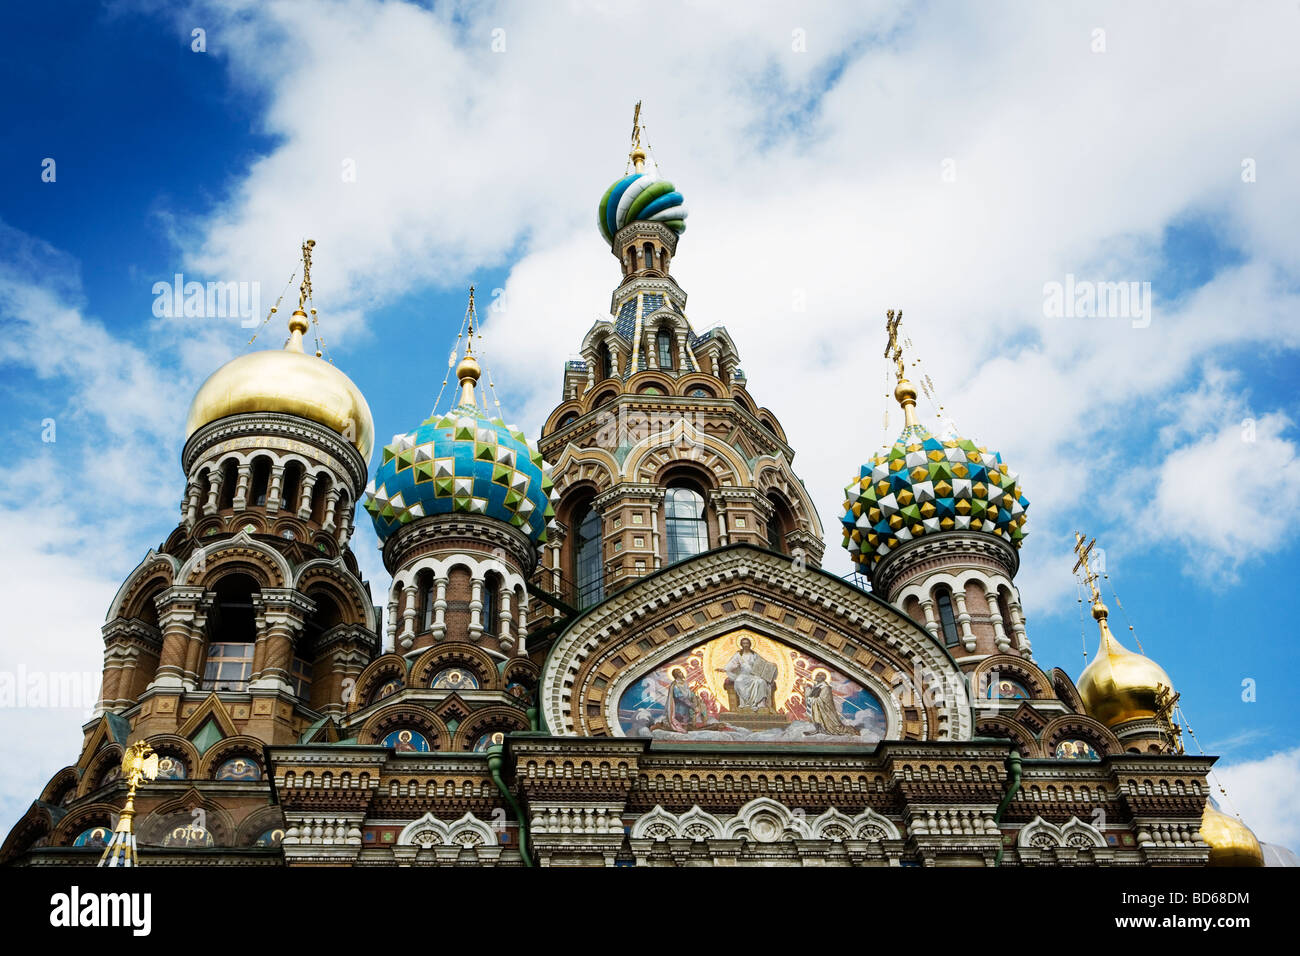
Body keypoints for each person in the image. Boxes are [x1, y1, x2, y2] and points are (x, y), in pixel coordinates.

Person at [722, 637, 778, 711]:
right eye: (744, 643)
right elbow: (732, 664)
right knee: (739, 681)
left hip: (754, 675)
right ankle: (745, 704)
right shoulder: (738, 655)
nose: (745, 645)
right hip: (743, 676)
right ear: (741, 645)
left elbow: (763, 664)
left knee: (761, 682)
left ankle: (760, 704)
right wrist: (725, 669)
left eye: (747, 643)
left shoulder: (754, 654)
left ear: (750, 644)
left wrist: (772, 665)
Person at [805, 671, 857, 736]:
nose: (816, 676)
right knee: (815, 715)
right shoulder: (816, 686)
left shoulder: (826, 687)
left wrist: (812, 699)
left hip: (825, 710)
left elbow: (823, 699)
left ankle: (826, 729)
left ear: (823, 678)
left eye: (819, 675)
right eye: (817, 675)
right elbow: (811, 695)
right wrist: (807, 688)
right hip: (817, 706)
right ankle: (819, 729)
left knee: (834, 727)